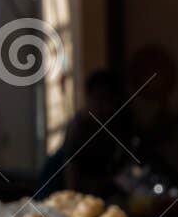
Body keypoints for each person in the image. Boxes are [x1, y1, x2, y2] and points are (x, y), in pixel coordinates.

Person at [36, 69, 130, 199]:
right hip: (56, 185)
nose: (102, 106)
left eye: (108, 100)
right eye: (97, 99)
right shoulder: (78, 127)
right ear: (88, 99)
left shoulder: (116, 124)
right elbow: (72, 183)